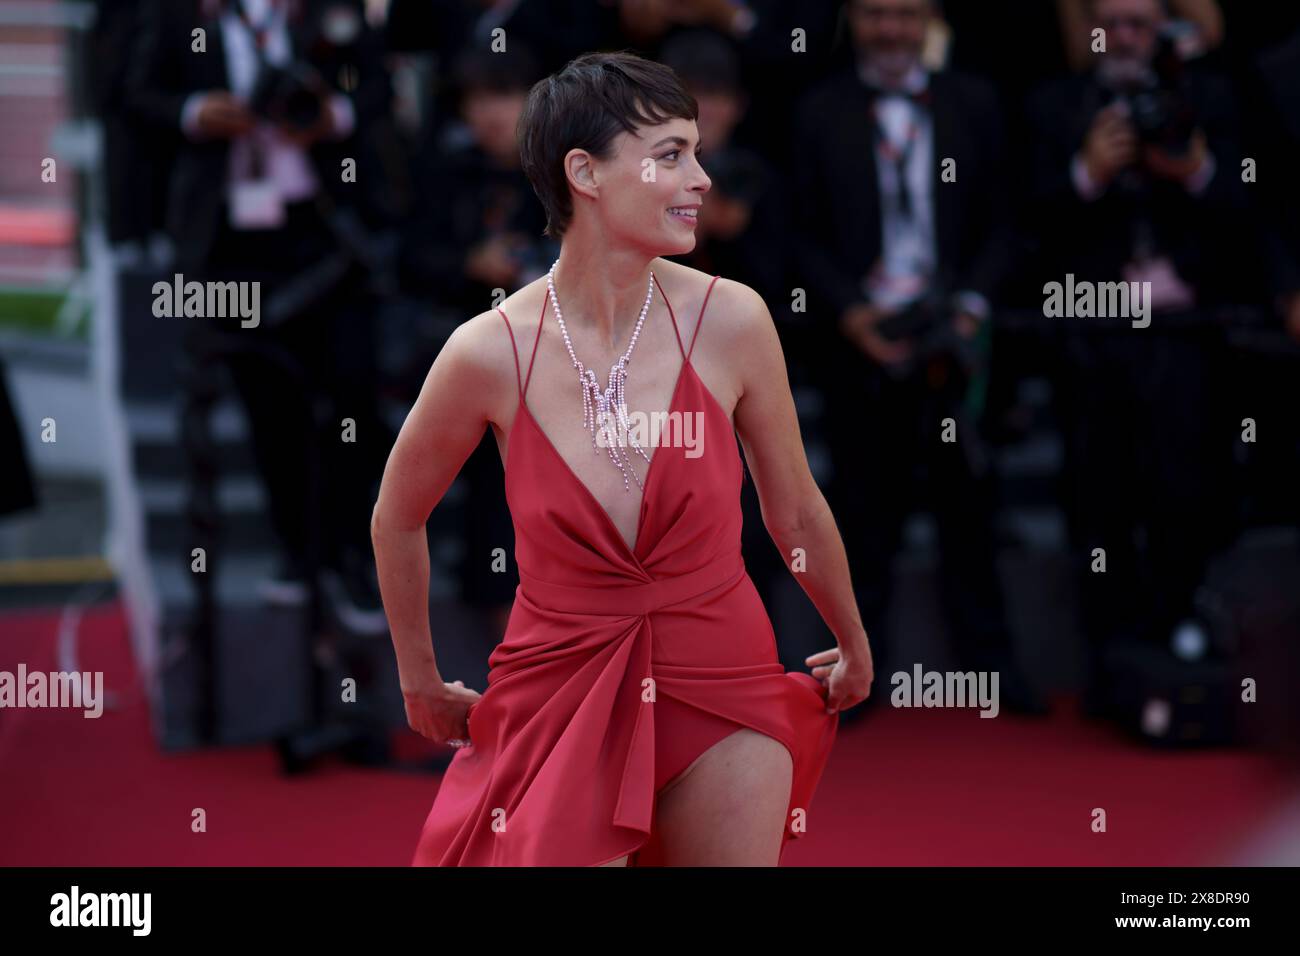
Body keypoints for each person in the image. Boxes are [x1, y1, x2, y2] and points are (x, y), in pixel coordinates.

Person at [371, 51, 873, 866]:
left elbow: (794, 507)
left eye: (698, 152)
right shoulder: (488, 353)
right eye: (671, 154)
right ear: (585, 173)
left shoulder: (733, 320)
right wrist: (419, 679)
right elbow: (398, 515)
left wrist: (851, 634)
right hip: (559, 689)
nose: (702, 178)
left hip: (724, 672)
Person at [794, 0, 1046, 715]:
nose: (892, 30)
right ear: (854, 20)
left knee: (971, 510)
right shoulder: (818, 111)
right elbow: (799, 231)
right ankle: (853, 681)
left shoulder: (976, 103)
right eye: (877, 14)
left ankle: (993, 673)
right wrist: (850, 313)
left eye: (906, 14)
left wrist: (969, 307)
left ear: (931, 20)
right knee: (862, 518)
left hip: (954, 338)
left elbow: (1007, 221)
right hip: (860, 339)